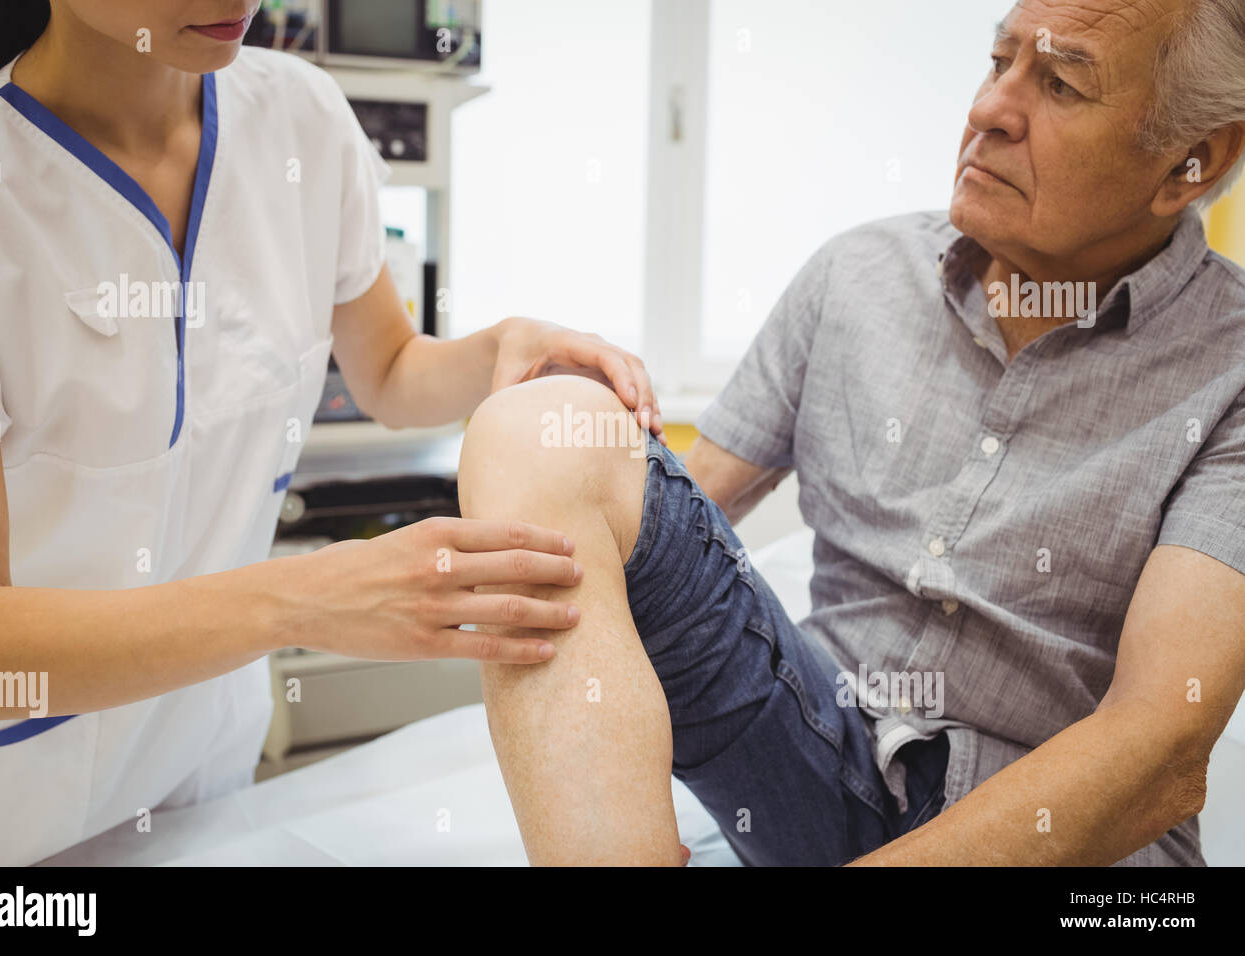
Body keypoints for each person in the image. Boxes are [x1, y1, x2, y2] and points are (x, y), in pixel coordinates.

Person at [457, 0, 1245, 865]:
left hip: (1060, 841)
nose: (988, 111)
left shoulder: (1232, 366)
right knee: (543, 430)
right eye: (998, 63)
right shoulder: (857, 275)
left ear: (1193, 161)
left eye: (1059, 84)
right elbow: (647, 525)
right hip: (813, 752)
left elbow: (1160, 748)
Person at [0, 0, 662, 866]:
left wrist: (494, 353)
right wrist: (302, 599)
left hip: (201, 778)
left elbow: (391, 370)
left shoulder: (301, 121)